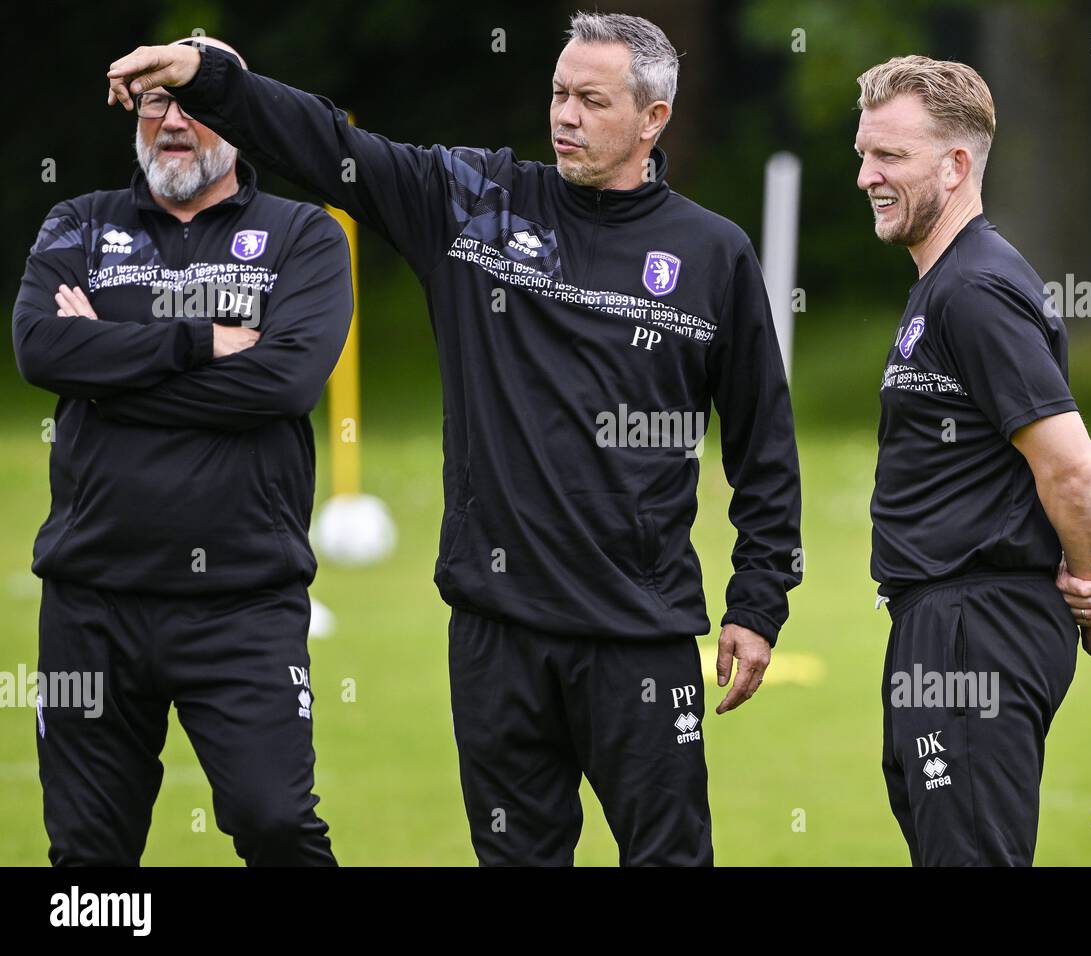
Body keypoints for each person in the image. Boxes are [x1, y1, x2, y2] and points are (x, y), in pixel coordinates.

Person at [105, 13, 802, 866]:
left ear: (653, 119)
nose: (565, 116)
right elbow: (327, 145)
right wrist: (205, 73)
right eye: (558, 93)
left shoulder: (712, 254)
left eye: (591, 99)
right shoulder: (476, 204)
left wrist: (759, 600)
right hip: (494, 633)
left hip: (640, 637)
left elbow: (763, 445)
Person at [14, 36, 351, 866]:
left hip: (241, 603)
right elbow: (39, 350)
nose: (173, 120)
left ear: (238, 120)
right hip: (90, 599)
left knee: (275, 823)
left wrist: (112, 364)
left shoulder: (302, 236)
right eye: (159, 101)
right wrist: (202, 340)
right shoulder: (79, 222)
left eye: (195, 103)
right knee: (88, 854)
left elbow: (284, 385)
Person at [855, 54, 1091, 866]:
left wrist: (1090, 587)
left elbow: (1071, 466)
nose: (867, 176)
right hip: (941, 622)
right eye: (863, 154)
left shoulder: (974, 289)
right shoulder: (945, 283)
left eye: (890, 157)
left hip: (973, 628)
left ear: (955, 166)